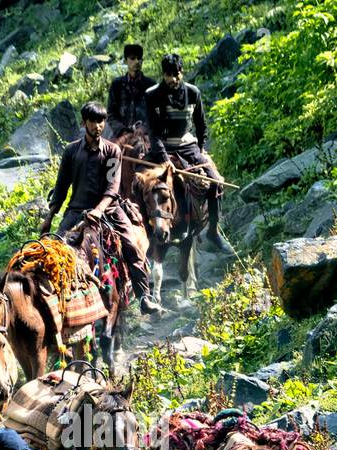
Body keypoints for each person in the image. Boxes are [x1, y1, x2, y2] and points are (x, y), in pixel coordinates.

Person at [40, 101, 160, 315]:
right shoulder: (70, 152)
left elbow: (113, 188)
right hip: (77, 210)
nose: (98, 125)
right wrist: (49, 217)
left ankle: (144, 296)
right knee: (53, 248)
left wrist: (98, 210)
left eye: (101, 121)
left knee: (132, 246)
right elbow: (61, 188)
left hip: (110, 210)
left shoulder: (113, 150)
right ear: (84, 122)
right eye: (93, 121)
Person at [144, 52, 235, 257]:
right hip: (162, 148)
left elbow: (202, 125)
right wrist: (166, 161)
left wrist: (201, 150)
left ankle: (212, 231)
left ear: (181, 72)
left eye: (176, 74)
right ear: (163, 74)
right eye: (168, 75)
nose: (173, 79)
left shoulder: (193, 92)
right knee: (143, 183)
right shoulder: (152, 95)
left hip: (188, 146)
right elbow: (153, 132)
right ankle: (146, 235)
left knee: (215, 181)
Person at [105, 43, 154, 138]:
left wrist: (144, 128)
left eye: (139, 58)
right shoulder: (117, 85)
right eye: (132, 58)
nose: (136, 61)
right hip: (121, 134)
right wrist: (122, 131)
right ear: (125, 61)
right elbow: (111, 114)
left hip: (146, 135)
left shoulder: (150, 85)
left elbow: (157, 112)